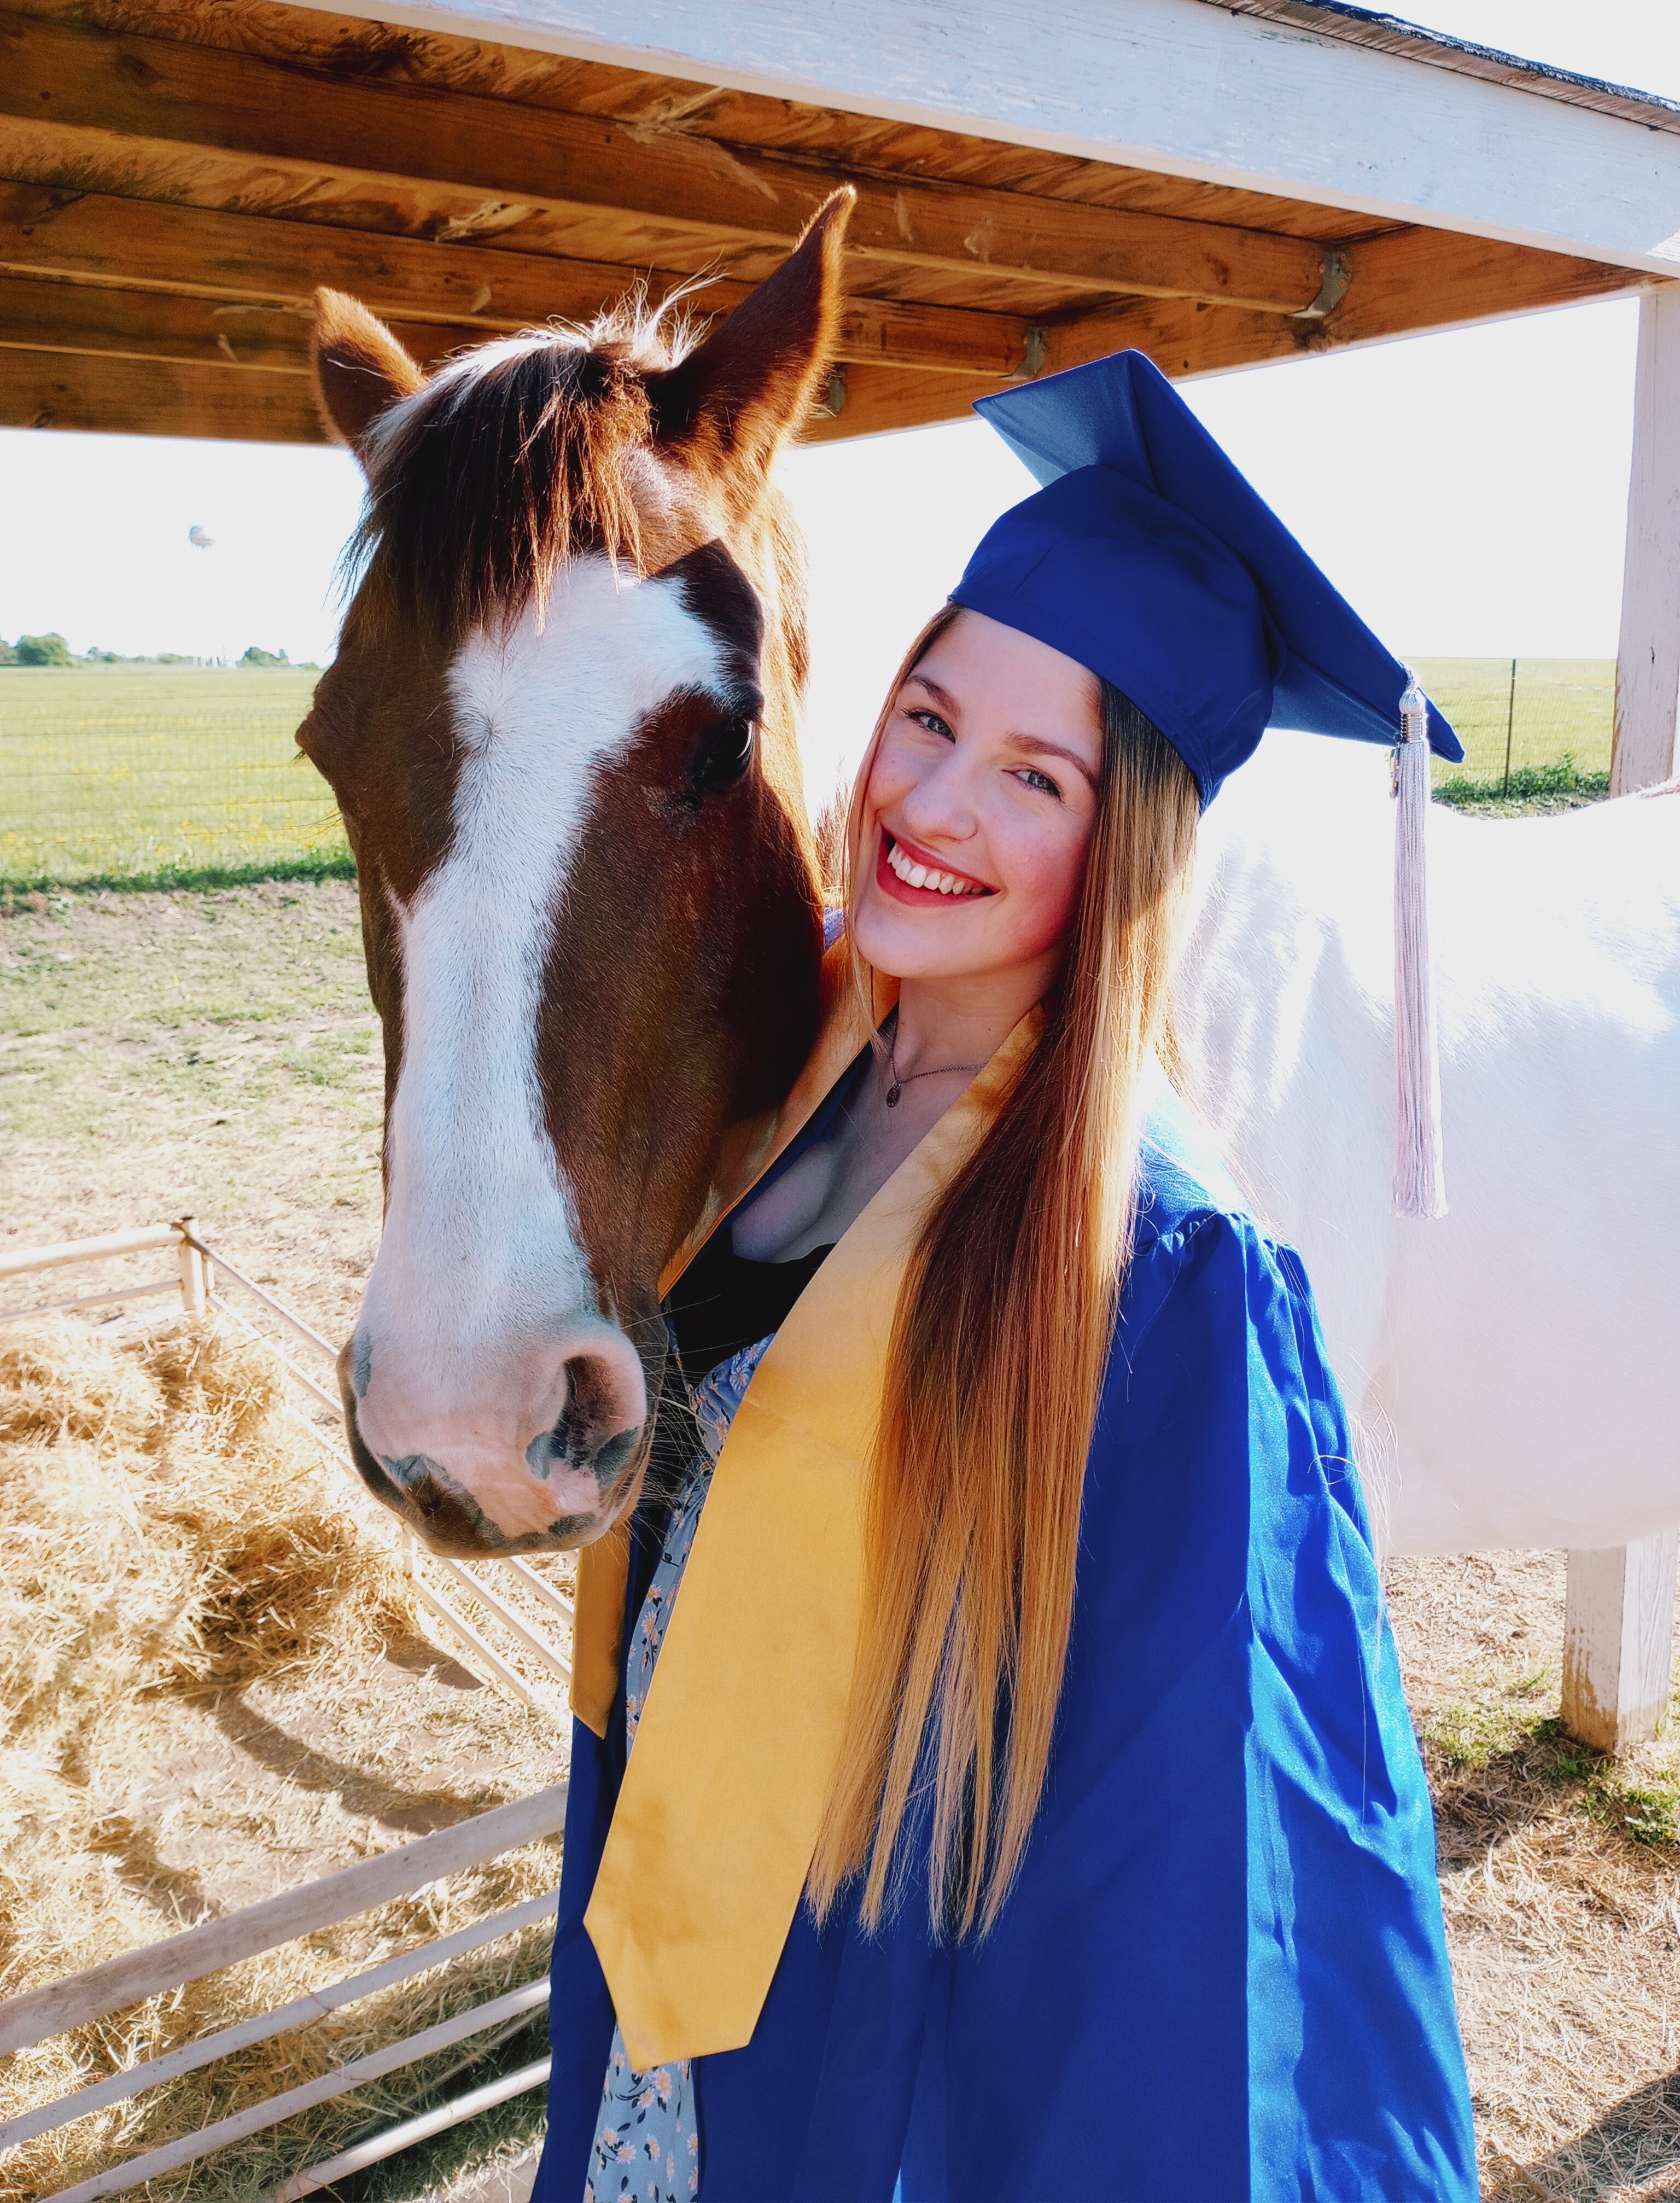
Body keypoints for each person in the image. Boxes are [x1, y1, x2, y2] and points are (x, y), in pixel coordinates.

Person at [534, 350, 1478, 2203]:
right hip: (675, 1929)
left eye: (1033, 775)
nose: (933, 803)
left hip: (892, 2031)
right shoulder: (797, 1059)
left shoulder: (1163, 1277)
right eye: (931, 718)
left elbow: (1194, 1876)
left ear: (1116, 849)